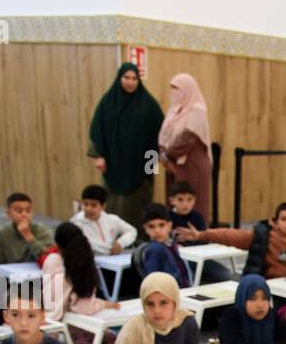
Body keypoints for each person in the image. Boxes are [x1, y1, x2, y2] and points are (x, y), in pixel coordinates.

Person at [88, 62, 163, 232]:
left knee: (141, 202)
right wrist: (100, 156)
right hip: (114, 164)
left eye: (134, 78)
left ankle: (139, 239)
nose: (130, 82)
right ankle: (112, 236)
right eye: (126, 77)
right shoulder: (108, 102)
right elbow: (97, 130)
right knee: (114, 203)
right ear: (119, 78)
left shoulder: (149, 105)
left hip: (141, 166)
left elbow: (158, 135)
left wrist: (151, 168)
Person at [158, 73, 212, 225]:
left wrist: (167, 155)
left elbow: (188, 137)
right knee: (175, 200)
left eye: (178, 89)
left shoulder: (197, 110)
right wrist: (163, 155)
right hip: (172, 162)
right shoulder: (174, 111)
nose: (175, 93)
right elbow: (163, 136)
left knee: (191, 202)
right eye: (173, 89)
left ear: (188, 89)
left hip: (192, 165)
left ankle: (196, 237)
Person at [218, 273, 286, 344]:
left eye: (265, 298)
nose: (260, 305)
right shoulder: (232, 315)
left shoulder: (270, 314)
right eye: (253, 299)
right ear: (243, 298)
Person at [137, 202, 192, 288]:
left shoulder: (171, 244)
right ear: (145, 229)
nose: (157, 230)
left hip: (180, 290)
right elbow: (152, 281)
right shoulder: (154, 250)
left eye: (161, 225)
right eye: (151, 226)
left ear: (169, 226)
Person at [72, 184, 136, 256]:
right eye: (86, 204)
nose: (88, 209)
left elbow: (132, 231)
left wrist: (121, 243)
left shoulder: (112, 219)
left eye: (93, 205)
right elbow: (92, 245)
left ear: (103, 206)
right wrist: (111, 249)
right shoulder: (76, 224)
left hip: (112, 261)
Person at [0, 192, 55, 265]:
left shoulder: (42, 230)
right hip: (11, 274)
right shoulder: (2, 233)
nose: (24, 214)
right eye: (19, 211)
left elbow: (50, 258)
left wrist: (28, 236)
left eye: (28, 211)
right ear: (9, 213)